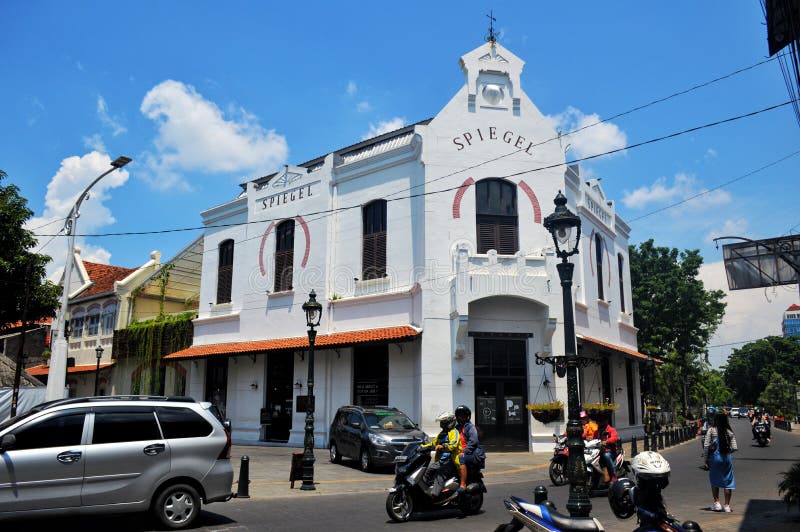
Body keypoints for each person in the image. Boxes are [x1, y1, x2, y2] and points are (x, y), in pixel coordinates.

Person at [420, 411, 463, 497]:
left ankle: (435, 495)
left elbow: (453, 444)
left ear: (450, 422)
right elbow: (433, 443)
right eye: (441, 422)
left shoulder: (454, 432)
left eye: (443, 422)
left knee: (440, 474)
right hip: (441, 460)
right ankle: (424, 490)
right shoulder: (442, 433)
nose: (442, 424)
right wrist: (422, 446)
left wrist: (443, 446)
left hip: (451, 460)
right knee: (427, 470)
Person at [704, 411, 737, 512]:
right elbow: (734, 447)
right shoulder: (729, 431)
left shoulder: (711, 430)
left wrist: (706, 459)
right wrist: (727, 452)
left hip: (714, 459)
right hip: (726, 459)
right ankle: (727, 506)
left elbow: (706, 446)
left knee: (715, 481)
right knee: (728, 482)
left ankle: (717, 503)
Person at [454, 405, 486, 493]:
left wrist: (464, 451)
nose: (461, 418)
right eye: (459, 415)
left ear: (467, 416)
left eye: (463, 415)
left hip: (473, 454)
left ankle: (463, 484)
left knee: (461, 458)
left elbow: (473, 441)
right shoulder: (456, 428)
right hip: (461, 452)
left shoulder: (470, 427)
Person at [597, 414, 619, 483]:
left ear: (606, 421)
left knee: (606, 456)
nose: (599, 423)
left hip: (610, 450)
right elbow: (593, 438)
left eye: (601, 421)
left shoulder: (611, 429)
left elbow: (614, 438)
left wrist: (606, 441)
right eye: (598, 421)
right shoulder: (597, 431)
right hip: (599, 450)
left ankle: (613, 475)